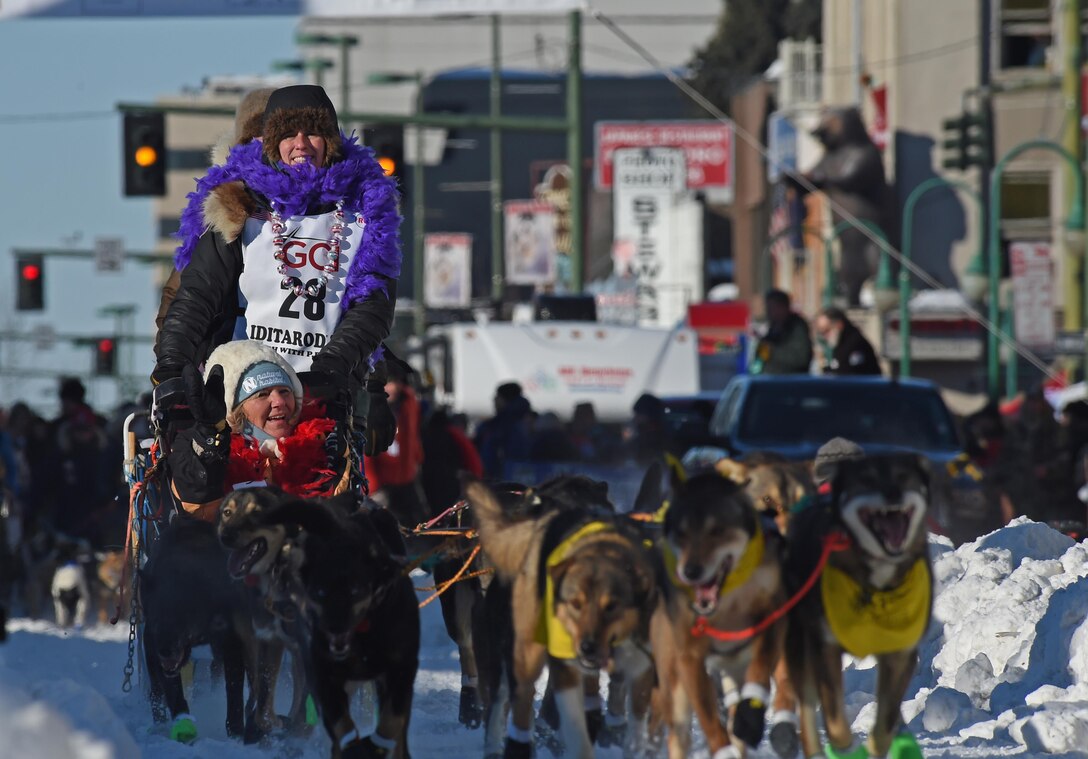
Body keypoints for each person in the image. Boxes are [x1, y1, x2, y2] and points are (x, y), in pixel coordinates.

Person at [152, 84, 401, 456]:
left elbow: (373, 307)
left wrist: (339, 369)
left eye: (312, 132)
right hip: (241, 393)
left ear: (331, 141)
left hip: (324, 393)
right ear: (271, 143)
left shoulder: (367, 211)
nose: (300, 143)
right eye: (287, 134)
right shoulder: (238, 205)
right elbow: (195, 297)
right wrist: (172, 366)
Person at [169, 340, 351, 522]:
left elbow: (333, 513)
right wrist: (210, 436)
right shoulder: (195, 447)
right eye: (262, 394)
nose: (279, 402)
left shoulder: (322, 440)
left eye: (284, 391)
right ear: (236, 410)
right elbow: (198, 509)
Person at [363, 360, 427, 527]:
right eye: (388, 382)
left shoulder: (408, 402)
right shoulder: (370, 406)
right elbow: (366, 452)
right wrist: (373, 486)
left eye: (396, 382)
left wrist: (418, 458)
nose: (393, 388)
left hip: (407, 476)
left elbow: (413, 434)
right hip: (383, 481)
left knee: (416, 523)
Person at [474, 382, 532, 479]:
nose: (494, 400)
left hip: (502, 476)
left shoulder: (501, 424)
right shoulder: (525, 420)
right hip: (522, 474)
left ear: (504, 399)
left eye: (497, 397)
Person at [751, 289, 813, 375]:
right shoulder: (773, 327)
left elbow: (801, 358)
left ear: (782, 307)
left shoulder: (797, 327)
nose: (768, 312)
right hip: (769, 379)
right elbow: (760, 360)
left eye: (771, 308)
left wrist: (771, 351)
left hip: (791, 380)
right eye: (767, 308)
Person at [813, 306, 881, 376]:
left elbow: (848, 372)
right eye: (821, 333)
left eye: (826, 331)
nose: (824, 336)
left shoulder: (855, 343)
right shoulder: (840, 344)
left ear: (839, 325)